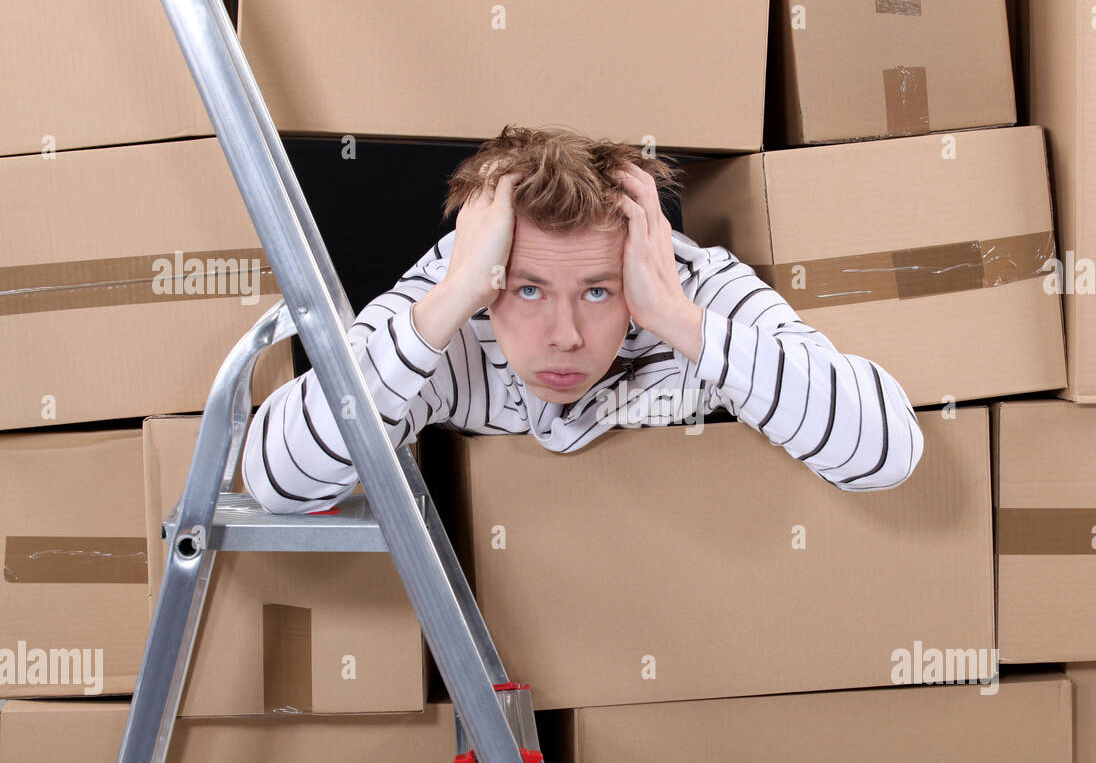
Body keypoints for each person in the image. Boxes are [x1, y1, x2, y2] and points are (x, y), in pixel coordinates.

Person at [241, 124, 924, 513]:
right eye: (530, 290)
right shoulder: (450, 302)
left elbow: (887, 452)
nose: (564, 336)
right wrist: (445, 306)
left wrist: (678, 321)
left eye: (597, 292)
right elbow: (278, 479)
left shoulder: (685, 287)